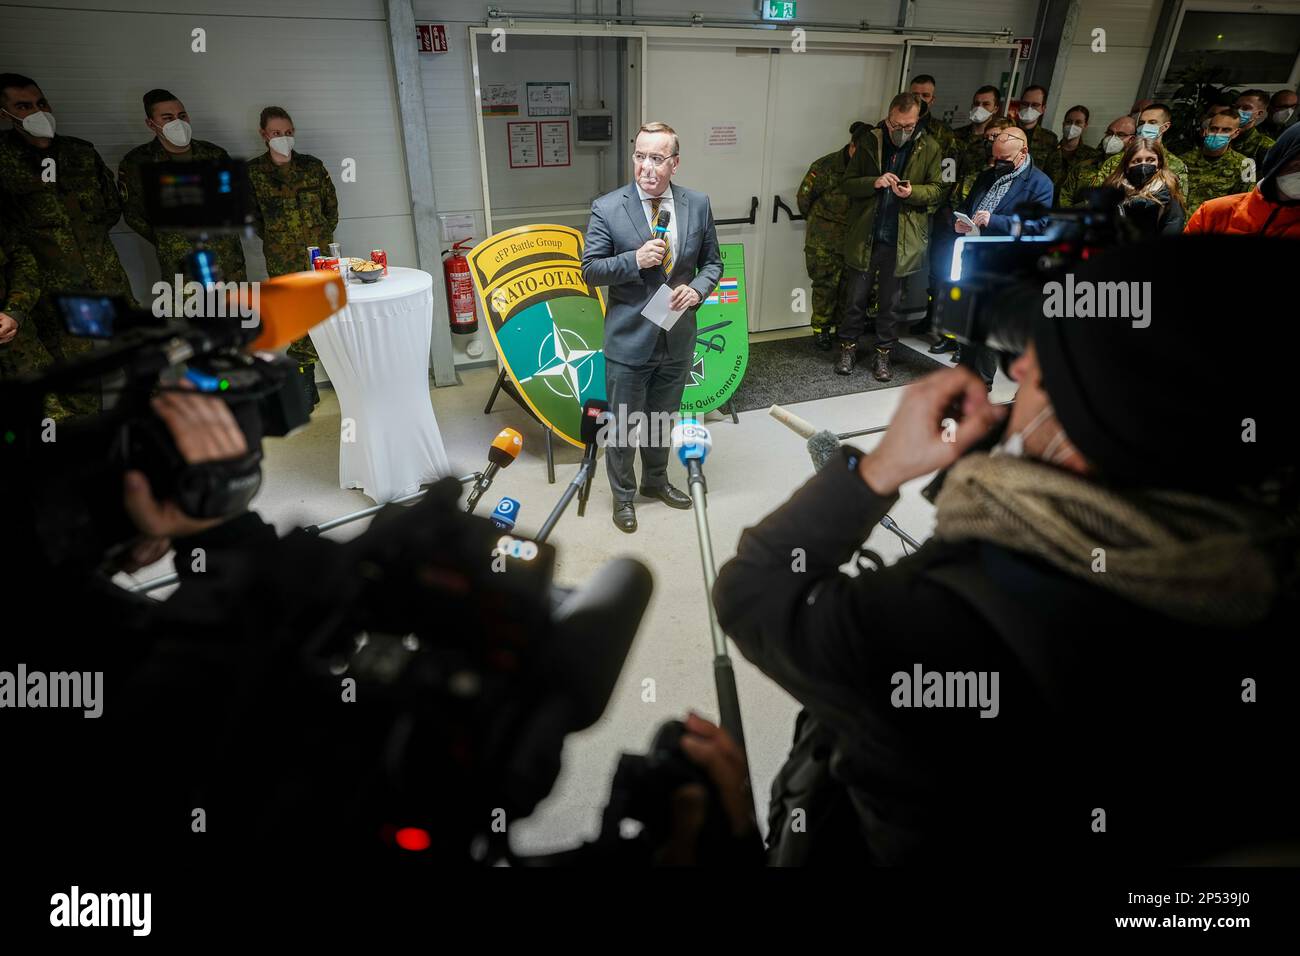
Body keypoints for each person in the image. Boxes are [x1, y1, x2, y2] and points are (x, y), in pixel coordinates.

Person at [712, 235, 1298, 864]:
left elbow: (755, 589)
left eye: (1044, 374)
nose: (1015, 370)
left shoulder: (931, 619)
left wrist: (879, 468)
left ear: (1088, 431)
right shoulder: (1271, 573)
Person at [581, 121, 722, 534]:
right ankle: (623, 499)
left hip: (677, 333)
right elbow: (590, 270)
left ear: (674, 163)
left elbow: (713, 262)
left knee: (662, 418)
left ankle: (656, 481)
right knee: (624, 424)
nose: (646, 167)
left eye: (656, 158)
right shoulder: (607, 207)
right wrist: (635, 260)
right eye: (640, 156)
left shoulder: (697, 204)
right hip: (629, 338)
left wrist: (697, 291)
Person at [0, 73, 136, 418]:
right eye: (23, 106)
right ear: (5, 114)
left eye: (40, 103)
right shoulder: (4, 162)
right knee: (77, 385)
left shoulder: (80, 153)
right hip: (54, 296)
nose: (37, 111)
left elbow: (109, 209)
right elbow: (10, 240)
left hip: (108, 283)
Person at [836, 92, 944, 381]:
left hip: (901, 240)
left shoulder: (930, 146)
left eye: (908, 126)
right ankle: (848, 349)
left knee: (890, 304)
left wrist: (913, 192)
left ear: (917, 120)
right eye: (896, 125)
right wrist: (874, 181)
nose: (902, 132)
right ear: (888, 118)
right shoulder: (870, 141)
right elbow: (847, 184)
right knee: (855, 299)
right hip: (866, 237)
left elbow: (937, 190)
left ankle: (883, 356)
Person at [246, 105, 339, 395]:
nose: (283, 137)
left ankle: (341, 378)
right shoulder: (253, 173)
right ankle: (304, 383)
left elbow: (331, 211)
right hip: (282, 258)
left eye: (287, 132)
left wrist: (318, 236)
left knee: (327, 315)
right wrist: (281, 240)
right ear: (264, 134)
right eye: (276, 133)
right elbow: (254, 220)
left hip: (319, 257)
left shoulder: (312, 167)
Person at [953, 126, 1053, 384]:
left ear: (1023, 152)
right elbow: (967, 206)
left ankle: (982, 382)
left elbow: (1038, 226)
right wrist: (960, 222)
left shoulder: (1040, 184)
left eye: (1005, 160)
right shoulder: (987, 175)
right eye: (996, 158)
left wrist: (995, 220)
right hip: (973, 256)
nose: (998, 164)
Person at [119, 89, 248, 283]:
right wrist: (170, 239)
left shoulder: (215, 154)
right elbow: (134, 215)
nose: (177, 122)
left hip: (228, 263)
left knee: (235, 312)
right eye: (167, 118)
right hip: (182, 268)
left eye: (181, 115)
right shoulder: (137, 163)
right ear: (151, 124)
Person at [797, 122, 867, 350]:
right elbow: (804, 199)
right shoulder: (825, 166)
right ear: (852, 146)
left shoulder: (870, 170)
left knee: (849, 288)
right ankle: (821, 330)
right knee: (825, 287)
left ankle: (841, 330)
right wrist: (822, 225)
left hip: (853, 241)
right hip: (823, 242)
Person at [1185, 123, 1300, 238]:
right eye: (1297, 166)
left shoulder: (1245, 162)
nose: (1217, 134)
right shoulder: (1214, 213)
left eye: (1225, 129)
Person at [1087, 103, 1188, 199]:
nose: (1145, 127)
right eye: (1141, 123)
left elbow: (1178, 203)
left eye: (1152, 123)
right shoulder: (1115, 161)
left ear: (1165, 127)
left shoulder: (1176, 165)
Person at [1101, 140, 1185, 235]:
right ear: (1127, 165)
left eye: (1150, 160)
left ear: (1159, 164)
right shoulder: (1113, 187)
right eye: (1137, 161)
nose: (1143, 166)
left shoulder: (1168, 188)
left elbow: (1173, 223)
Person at [1177, 109, 1250, 218]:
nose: (1217, 134)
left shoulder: (1246, 165)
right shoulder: (1183, 160)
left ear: (1236, 133)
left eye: (1226, 130)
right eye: (1214, 128)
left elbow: (1244, 203)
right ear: (1206, 130)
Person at [1061, 114, 1134, 207]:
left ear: (1132, 140)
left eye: (1120, 135)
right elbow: (1065, 195)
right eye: (1110, 133)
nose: (1112, 138)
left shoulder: (1128, 170)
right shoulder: (1085, 165)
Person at [952, 85, 1004, 182]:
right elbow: (947, 167)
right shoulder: (955, 135)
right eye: (976, 103)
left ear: (996, 109)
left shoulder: (996, 141)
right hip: (951, 194)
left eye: (986, 104)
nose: (979, 107)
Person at [1015, 85, 1062, 185]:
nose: (1029, 108)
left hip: (1032, 193)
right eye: (1025, 104)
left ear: (1043, 109)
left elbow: (1053, 176)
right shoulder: (1006, 131)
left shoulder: (1049, 139)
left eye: (1035, 105)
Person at [1051, 104, 1097, 192]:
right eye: (1069, 121)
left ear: (1085, 125)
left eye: (1078, 122)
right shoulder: (1050, 148)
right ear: (1063, 124)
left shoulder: (1091, 156)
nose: (1072, 126)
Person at [1231, 89, 1277, 165]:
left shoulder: (1266, 145)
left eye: (1246, 108)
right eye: (1236, 107)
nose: (1238, 111)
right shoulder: (1223, 135)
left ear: (1259, 114)